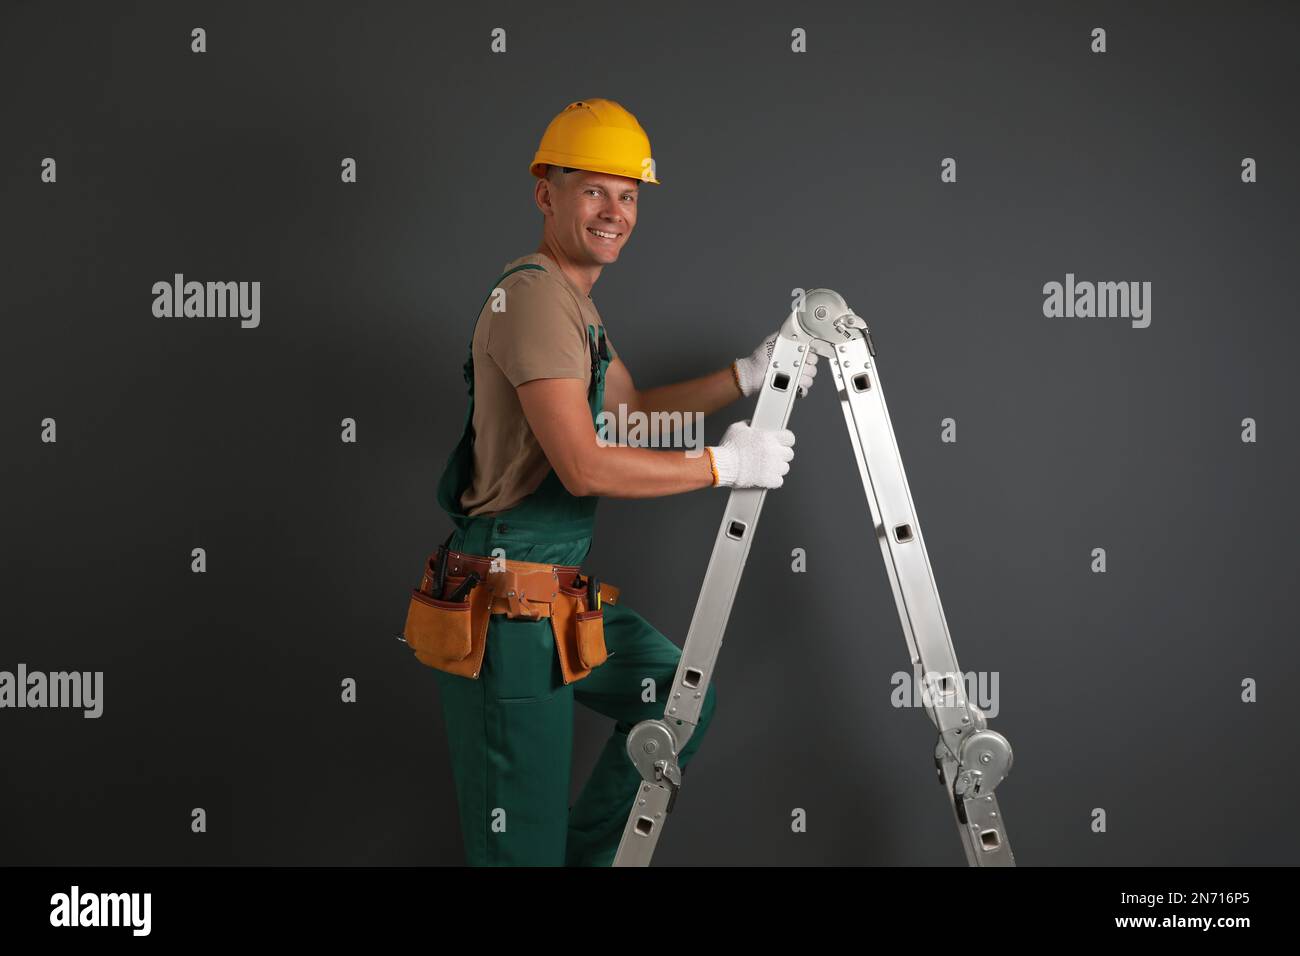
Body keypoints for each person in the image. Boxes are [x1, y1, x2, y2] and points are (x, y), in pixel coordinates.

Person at [428, 98, 818, 866]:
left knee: (681, 698)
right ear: (547, 193)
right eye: (595, 191)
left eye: (630, 195)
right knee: (519, 855)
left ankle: (573, 858)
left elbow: (631, 417)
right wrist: (722, 466)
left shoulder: (572, 301)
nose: (616, 212)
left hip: (554, 591)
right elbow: (584, 462)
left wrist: (745, 376)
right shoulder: (535, 297)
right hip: (509, 602)